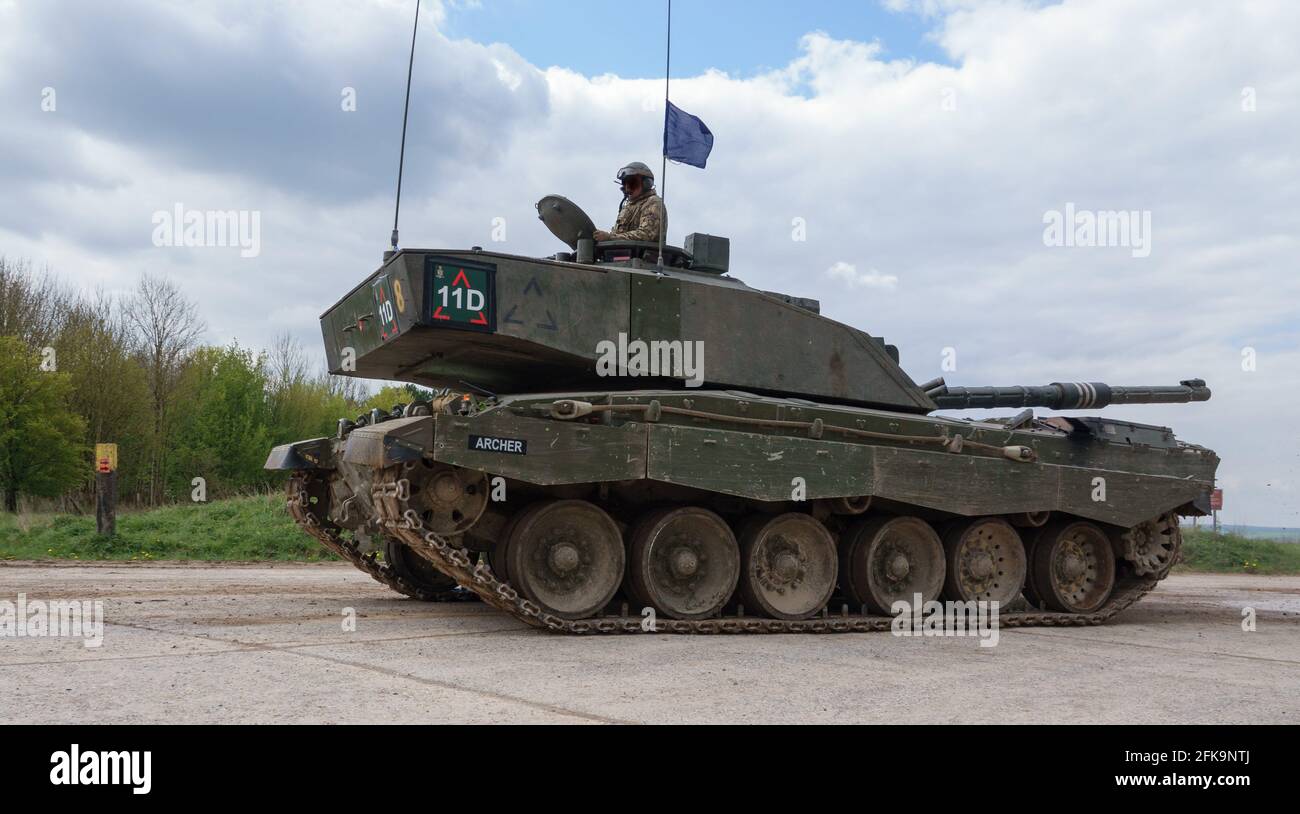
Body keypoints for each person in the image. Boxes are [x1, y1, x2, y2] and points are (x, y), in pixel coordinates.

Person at [592, 162, 667, 244]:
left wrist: (610, 237)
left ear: (646, 184)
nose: (627, 189)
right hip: (622, 253)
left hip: (645, 255)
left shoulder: (653, 202)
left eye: (632, 184)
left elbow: (646, 234)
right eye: (624, 184)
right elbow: (617, 234)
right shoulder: (628, 206)